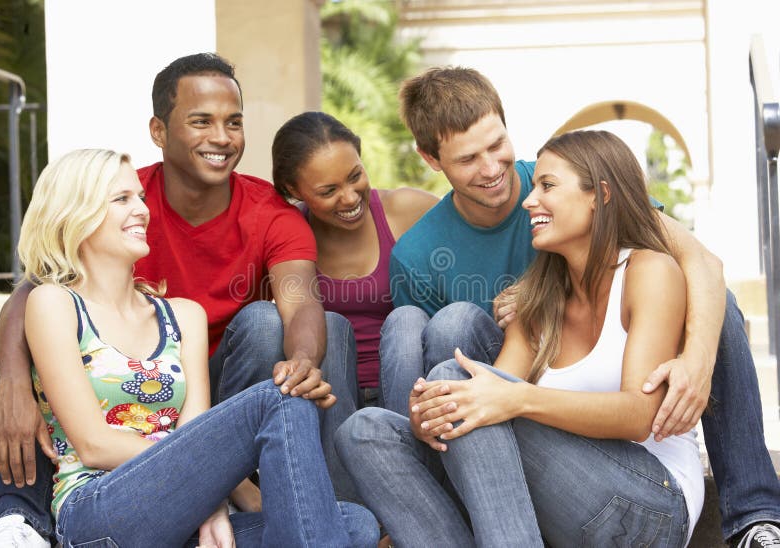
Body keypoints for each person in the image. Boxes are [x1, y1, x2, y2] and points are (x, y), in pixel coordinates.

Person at [380, 66, 780, 546]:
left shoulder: (571, 184)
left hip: (591, 437)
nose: (492, 169)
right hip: (511, 392)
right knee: (447, 344)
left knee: (720, 304)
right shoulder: (420, 257)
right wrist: (431, 417)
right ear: (431, 158)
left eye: (496, 146)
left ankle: (754, 511)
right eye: (468, 158)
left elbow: (703, 263)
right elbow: (483, 378)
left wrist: (696, 361)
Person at [0, 53, 358, 544]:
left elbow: (300, 298)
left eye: (234, 122)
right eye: (201, 121)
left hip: (204, 403)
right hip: (121, 470)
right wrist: (10, 382)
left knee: (356, 519)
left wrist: (305, 360)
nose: (222, 137)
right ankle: (18, 518)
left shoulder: (262, 220)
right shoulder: (115, 207)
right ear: (159, 131)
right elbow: (37, 289)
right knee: (278, 403)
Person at [337, 129, 704, 546]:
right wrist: (430, 421)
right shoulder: (539, 296)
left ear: (599, 194)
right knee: (365, 431)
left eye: (547, 186)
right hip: (562, 513)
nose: (529, 201)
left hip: (649, 507)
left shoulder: (647, 271)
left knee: (462, 382)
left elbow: (639, 417)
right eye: (534, 188)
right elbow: (492, 398)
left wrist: (517, 398)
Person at [270, 111, 438, 414]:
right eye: (328, 191)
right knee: (330, 324)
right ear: (294, 190)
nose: (349, 198)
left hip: (407, 389)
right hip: (331, 393)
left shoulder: (405, 210)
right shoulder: (287, 231)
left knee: (407, 318)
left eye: (355, 176)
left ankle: (405, 442)